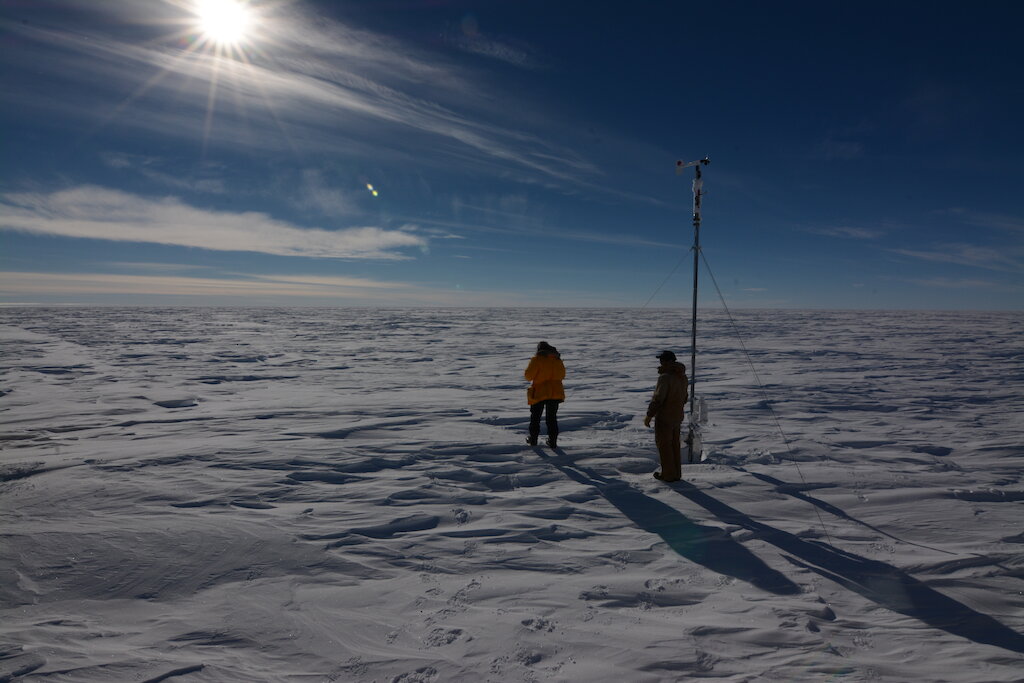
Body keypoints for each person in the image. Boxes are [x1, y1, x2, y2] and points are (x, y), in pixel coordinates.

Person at [644, 350, 689, 482]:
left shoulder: (665, 378)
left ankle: (668, 474)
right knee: (674, 445)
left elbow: (658, 399)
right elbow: (685, 398)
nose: (660, 363)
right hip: (677, 416)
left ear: (669, 361)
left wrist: (649, 415)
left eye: (662, 360)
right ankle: (676, 473)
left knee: (664, 446)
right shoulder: (682, 376)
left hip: (665, 417)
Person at [524, 341, 565, 448]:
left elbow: (528, 376)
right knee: (552, 418)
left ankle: (533, 439)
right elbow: (562, 375)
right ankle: (553, 441)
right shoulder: (557, 360)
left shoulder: (537, 360)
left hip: (539, 392)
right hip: (555, 392)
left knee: (535, 417)